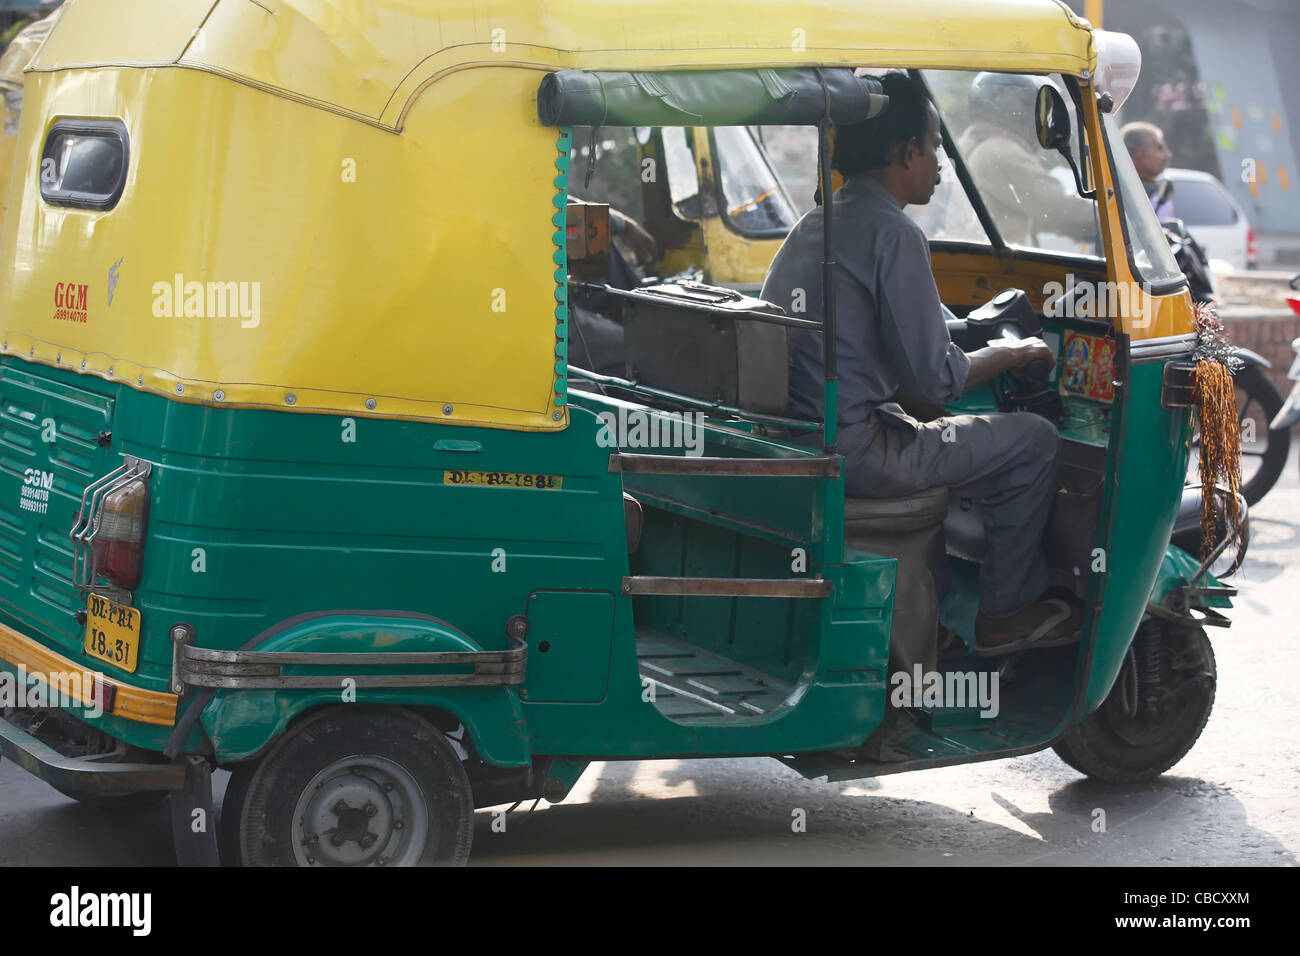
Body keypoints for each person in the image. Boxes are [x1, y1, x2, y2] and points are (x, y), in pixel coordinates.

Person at [761, 72, 1077, 654]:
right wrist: (1012, 351)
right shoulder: (895, 233)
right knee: (1032, 440)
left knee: (955, 433)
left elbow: (901, 335)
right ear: (906, 153)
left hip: (800, 438)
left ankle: (940, 613)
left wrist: (973, 334)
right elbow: (937, 379)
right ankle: (1003, 614)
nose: (940, 162)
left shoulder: (819, 224)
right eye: (933, 146)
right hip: (857, 453)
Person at [959, 72, 1099, 247]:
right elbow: (1059, 210)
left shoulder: (971, 143)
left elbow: (1035, 214)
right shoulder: (999, 151)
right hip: (1003, 267)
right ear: (1015, 110)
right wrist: (1114, 217)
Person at [1121, 121, 1175, 219]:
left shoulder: (1118, 187)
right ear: (1139, 155)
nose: (1168, 155)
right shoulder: (1150, 196)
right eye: (1159, 148)